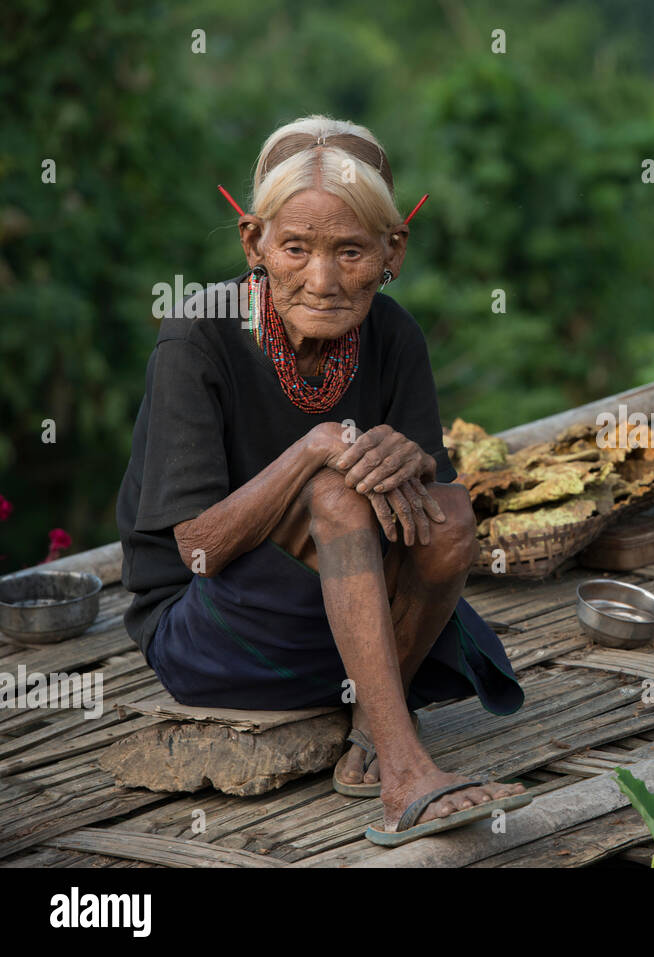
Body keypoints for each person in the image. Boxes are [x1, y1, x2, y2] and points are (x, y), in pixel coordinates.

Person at [115, 114, 526, 836]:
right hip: (210, 628)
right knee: (335, 491)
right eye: (296, 247)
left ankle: (373, 725)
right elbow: (194, 549)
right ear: (255, 242)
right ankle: (404, 772)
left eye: (351, 250)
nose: (324, 279)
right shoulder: (199, 334)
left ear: (393, 248)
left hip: (353, 627)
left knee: (452, 510)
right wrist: (313, 450)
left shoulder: (393, 336)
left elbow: (432, 526)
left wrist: (415, 460)